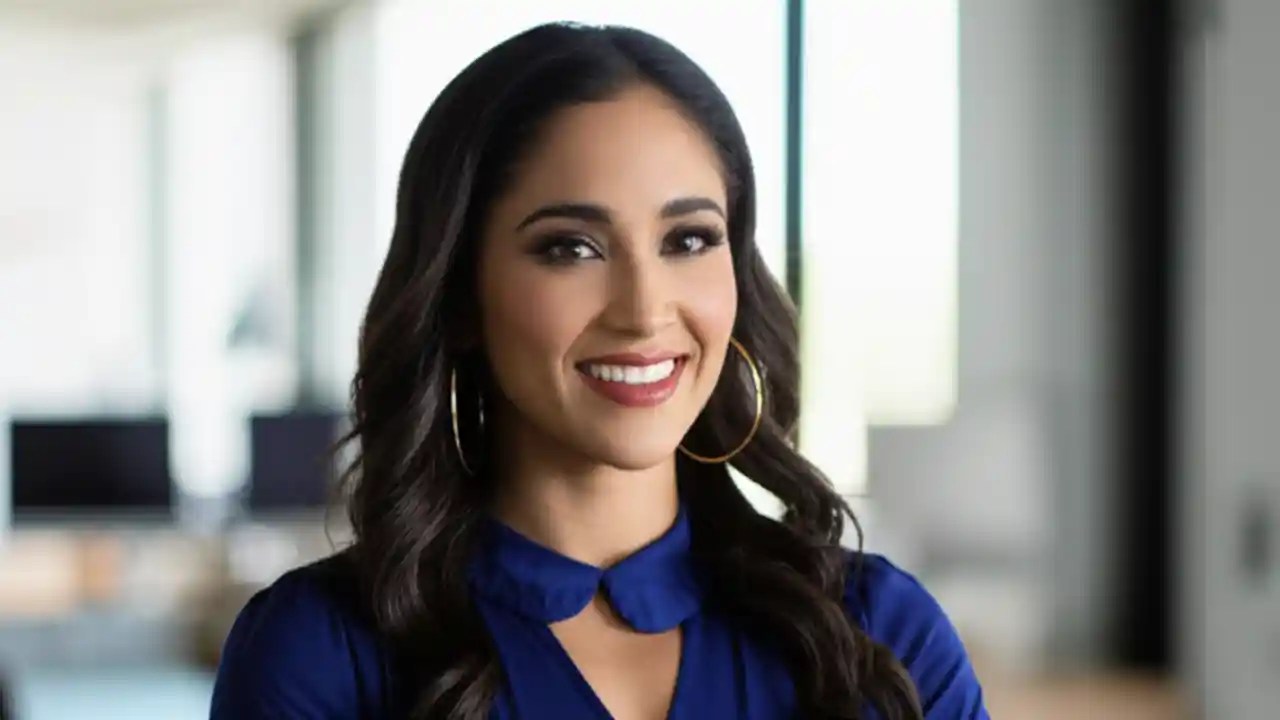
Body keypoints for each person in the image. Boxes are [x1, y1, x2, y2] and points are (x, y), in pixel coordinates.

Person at [210, 22, 988, 720]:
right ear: (458, 297)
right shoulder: (322, 653)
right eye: (570, 247)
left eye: (687, 240)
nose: (645, 311)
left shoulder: (878, 635)